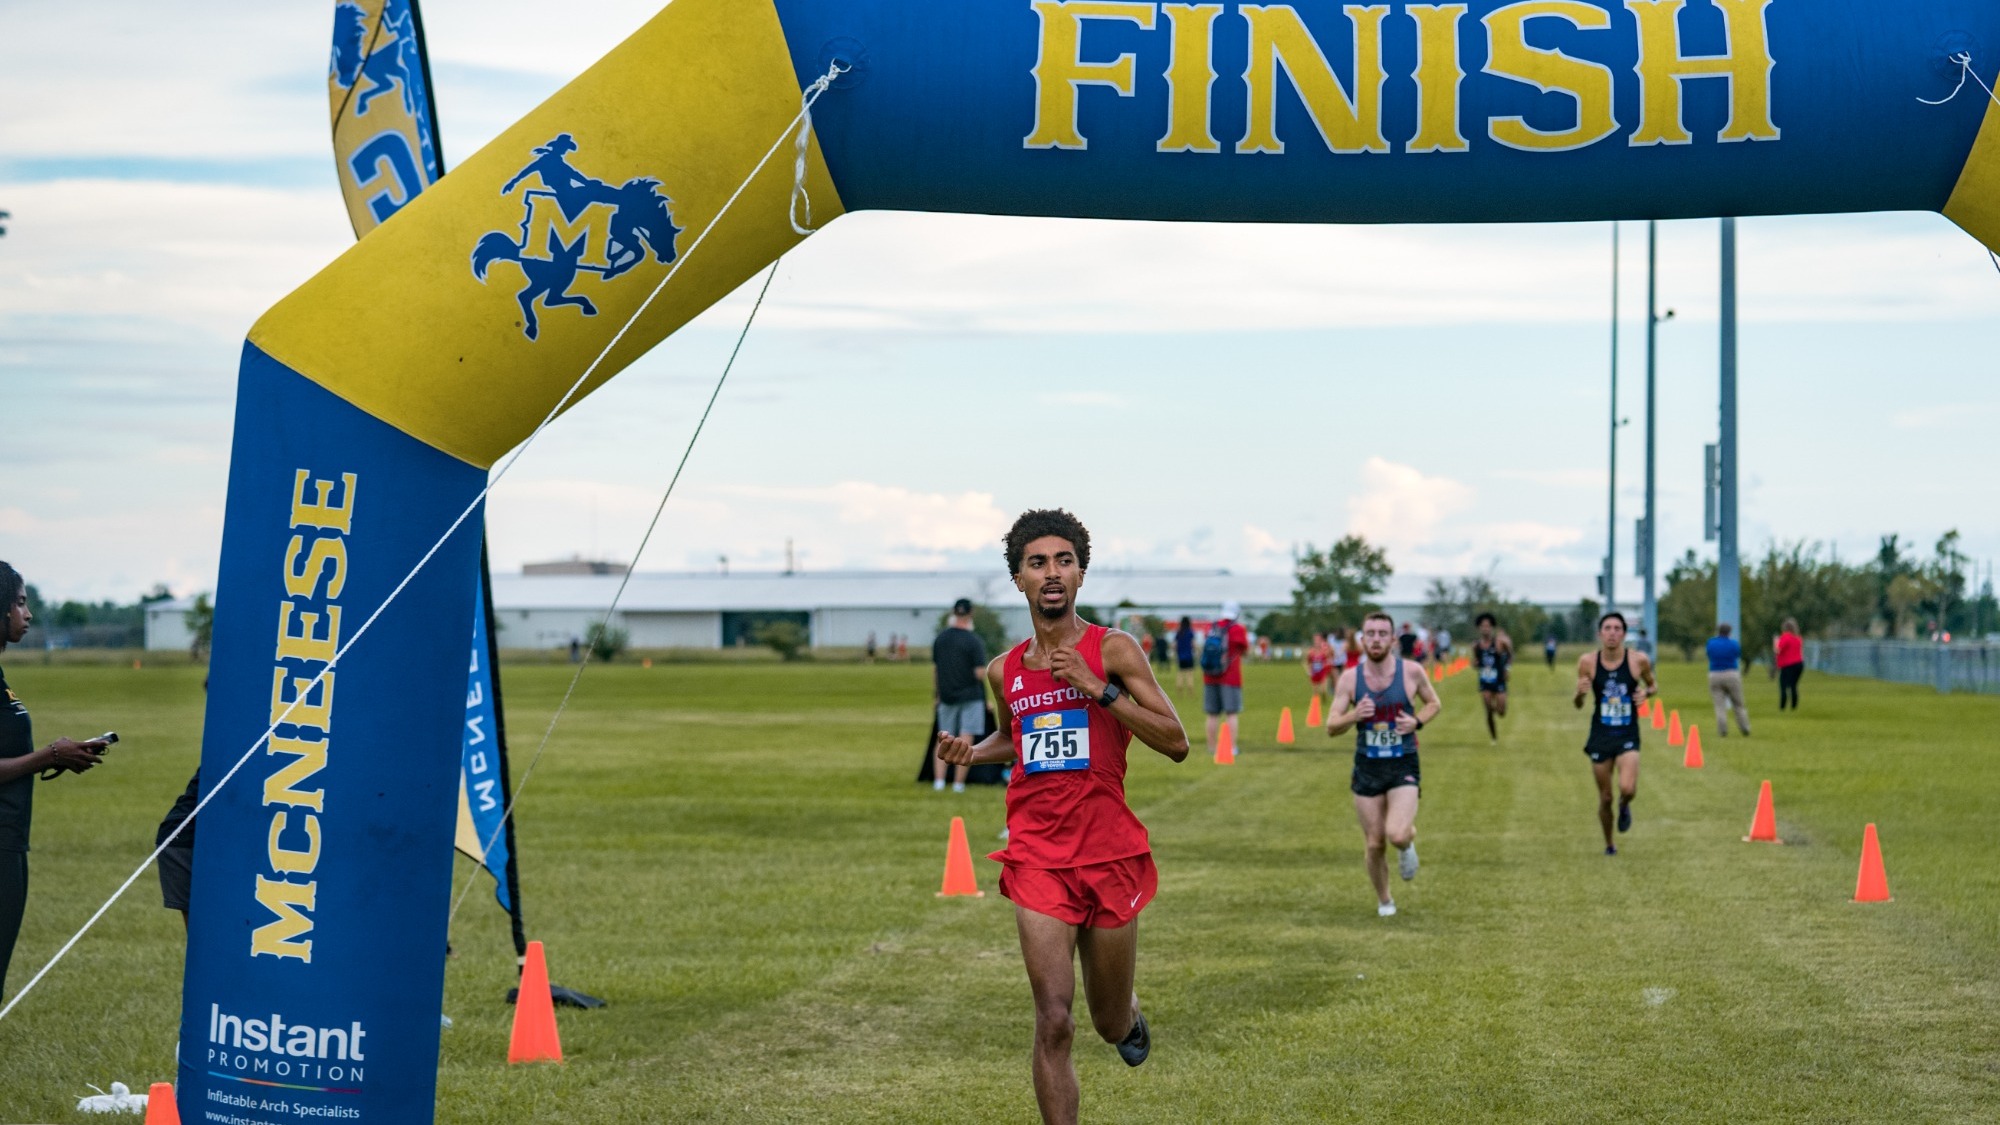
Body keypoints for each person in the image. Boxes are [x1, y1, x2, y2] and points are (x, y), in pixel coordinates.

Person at [935, 509, 1188, 1124]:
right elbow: (1015, 735)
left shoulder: (1115, 650)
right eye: (1037, 563)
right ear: (1018, 580)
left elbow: (1176, 741)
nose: (1052, 573)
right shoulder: (1005, 669)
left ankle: (1125, 1012)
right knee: (1053, 1019)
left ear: (1081, 575)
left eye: (1064, 561)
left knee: (1104, 1022)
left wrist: (1098, 688)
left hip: (1109, 854)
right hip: (1038, 856)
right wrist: (975, 750)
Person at [0, 562, 112, 995]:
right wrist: (49, 753)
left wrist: (56, 758)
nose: (27, 615)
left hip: (11, 840)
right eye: (20, 603)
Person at [1325, 612, 1441, 917]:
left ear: (1392, 639)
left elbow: (1434, 703)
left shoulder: (1412, 672)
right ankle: (1385, 900)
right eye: (1370, 634)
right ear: (1362, 640)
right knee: (1375, 842)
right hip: (1367, 766)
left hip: (1403, 761)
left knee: (1397, 833)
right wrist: (1353, 716)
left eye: (1382, 634)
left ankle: (1406, 845)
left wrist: (1416, 722)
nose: (1376, 639)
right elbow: (1331, 725)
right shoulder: (1351, 678)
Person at [1573, 612, 1656, 855]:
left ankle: (1625, 804)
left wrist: (1647, 693)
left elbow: (1652, 684)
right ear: (1600, 634)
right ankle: (1609, 843)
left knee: (1627, 788)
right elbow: (1579, 703)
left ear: (1624, 633)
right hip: (1600, 734)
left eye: (1617, 628)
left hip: (1627, 733)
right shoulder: (1587, 662)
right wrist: (1579, 693)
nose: (1612, 632)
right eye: (1607, 628)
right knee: (1606, 797)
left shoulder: (1637, 661)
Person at [932, 599, 991, 793]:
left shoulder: (940, 639)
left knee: (944, 739)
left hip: (946, 695)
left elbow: (936, 670)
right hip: (971, 696)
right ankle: (958, 784)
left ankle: (939, 782)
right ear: (970, 615)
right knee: (966, 741)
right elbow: (980, 673)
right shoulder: (974, 641)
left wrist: (937, 694)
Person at [1200, 602, 1250, 754]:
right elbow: (1245, 651)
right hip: (1230, 677)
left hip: (1209, 676)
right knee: (1231, 713)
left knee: (1212, 714)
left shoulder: (1211, 627)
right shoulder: (1238, 629)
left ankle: (1211, 747)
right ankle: (1231, 747)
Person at [1705, 622, 1752, 737]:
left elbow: (1709, 654)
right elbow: (1737, 655)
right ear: (1729, 632)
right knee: (1738, 703)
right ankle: (1744, 727)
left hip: (1715, 674)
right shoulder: (1733, 644)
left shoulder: (1711, 643)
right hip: (1731, 674)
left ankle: (1722, 730)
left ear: (1718, 631)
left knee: (1719, 705)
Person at [1471, 612, 1512, 744]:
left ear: (1492, 628)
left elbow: (1510, 656)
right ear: (1479, 628)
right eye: (1483, 626)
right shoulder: (1476, 646)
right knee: (1488, 707)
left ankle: (1498, 709)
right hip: (1485, 680)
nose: (1485, 629)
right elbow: (1476, 662)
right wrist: (1475, 664)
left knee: (1501, 711)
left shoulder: (1499, 643)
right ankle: (1493, 737)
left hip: (1499, 679)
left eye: (1488, 626)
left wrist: (1507, 669)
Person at [1774, 618, 1805, 710]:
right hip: (1799, 664)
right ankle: (1793, 706)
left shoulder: (1785, 637)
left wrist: (1776, 641)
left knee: (1783, 685)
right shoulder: (1798, 638)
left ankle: (1782, 706)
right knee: (1793, 685)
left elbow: (1777, 650)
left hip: (1788, 664)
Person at [1304, 633, 1335, 702]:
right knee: (1315, 692)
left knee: (1323, 690)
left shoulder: (1324, 651)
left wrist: (1328, 662)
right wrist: (1308, 670)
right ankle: (1316, 704)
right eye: (1315, 640)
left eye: (1318, 640)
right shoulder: (1311, 651)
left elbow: (1330, 657)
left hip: (1322, 672)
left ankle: (1324, 699)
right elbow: (1307, 662)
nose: (1317, 642)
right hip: (1314, 672)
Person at [1173, 616, 1196, 690]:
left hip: (1181, 656)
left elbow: (1175, 645)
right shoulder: (1190, 632)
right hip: (1189, 655)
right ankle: (1190, 687)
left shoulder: (1179, 632)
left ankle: (1179, 686)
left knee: (1180, 673)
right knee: (1189, 673)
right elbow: (1193, 644)